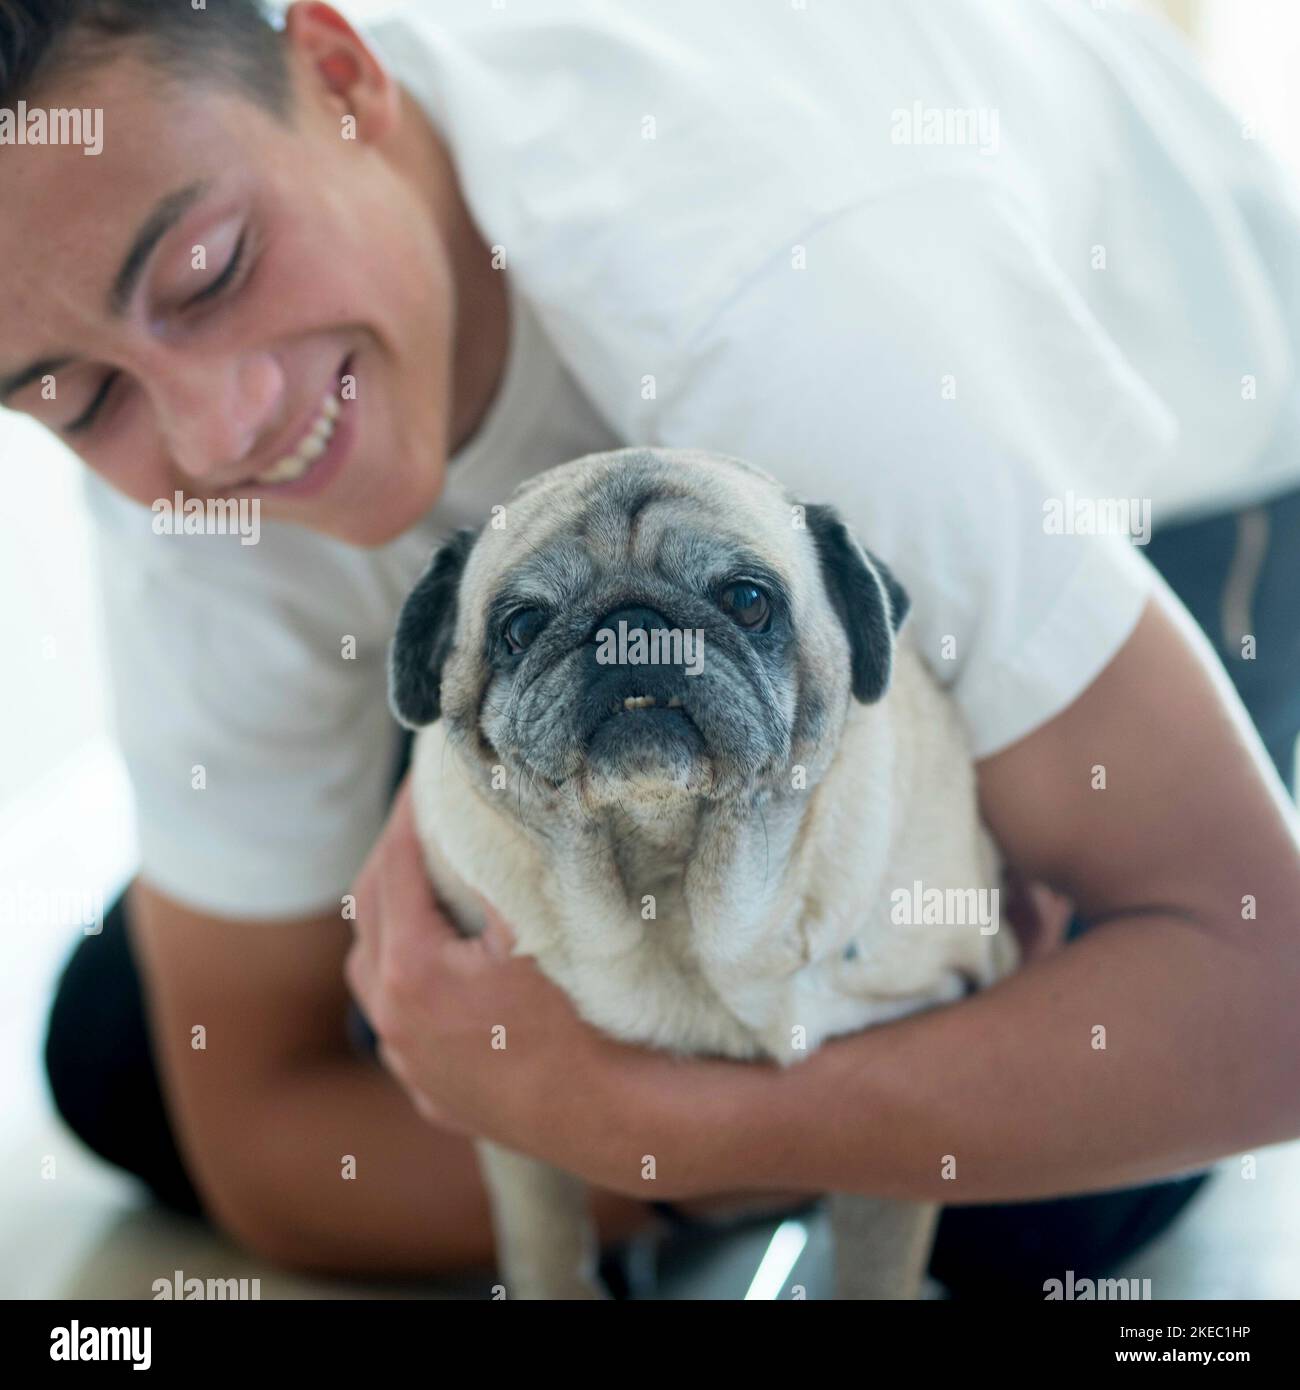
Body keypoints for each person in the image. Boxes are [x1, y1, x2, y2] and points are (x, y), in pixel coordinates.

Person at [5, 0, 1298, 1298]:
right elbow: (256, 1116)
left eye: (210, 269)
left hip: (1171, 474)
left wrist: (661, 1124)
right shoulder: (195, 495)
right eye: (83, 397)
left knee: (1030, 1196)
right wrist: (613, 1123)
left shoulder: (801, 319)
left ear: (343, 76)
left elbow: (1266, 1004)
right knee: (121, 1056)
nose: (214, 430)